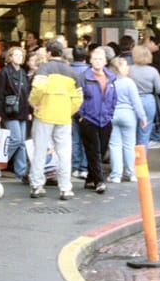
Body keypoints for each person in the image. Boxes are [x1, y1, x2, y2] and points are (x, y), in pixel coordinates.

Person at [28, 39, 82, 200]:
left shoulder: (44, 68)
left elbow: (38, 87)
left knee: (39, 151)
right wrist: (69, 111)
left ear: (49, 53)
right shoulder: (71, 72)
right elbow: (79, 97)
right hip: (64, 117)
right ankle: (65, 188)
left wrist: (34, 103)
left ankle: (37, 186)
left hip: (44, 114)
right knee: (64, 153)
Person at [75, 46, 115, 194]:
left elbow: (113, 97)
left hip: (105, 119)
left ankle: (90, 178)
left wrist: (110, 113)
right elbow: (78, 97)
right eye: (95, 59)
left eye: (100, 59)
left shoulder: (111, 77)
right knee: (94, 150)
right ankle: (99, 181)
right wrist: (81, 115)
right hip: (89, 119)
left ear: (105, 61)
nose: (97, 61)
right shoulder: (84, 77)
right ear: (90, 61)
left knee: (101, 150)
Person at [0, 45, 30, 180]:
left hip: (22, 110)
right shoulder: (5, 72)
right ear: (10, 57)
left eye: (21, 55)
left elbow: (27, 93)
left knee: (22, 143)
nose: (19, 57)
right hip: (10, 110)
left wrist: (29, 110)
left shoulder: (23, 72)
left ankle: (21, 171)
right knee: (17, 139)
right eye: (16, 55)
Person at [106, 56, 146, 184]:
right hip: (128, 115)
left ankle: (116, 175)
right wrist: (142, 117)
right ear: (120, 68)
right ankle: (131, 173)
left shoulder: (109, 82)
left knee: (114, 145)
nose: (128, 67)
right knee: (129, 145)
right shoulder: (129, 82)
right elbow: (136, 102)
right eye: (125, 65)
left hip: (113, 115)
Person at [129, 44, 160, 151]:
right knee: (145, 133)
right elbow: (159, 89)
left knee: (130, 133)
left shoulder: (128, 70)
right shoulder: (153, 71)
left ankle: (129, 163)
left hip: (131, 101)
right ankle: (140, 165)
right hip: (148, 101)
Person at [68, 45, 90, 178]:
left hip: (71, 108)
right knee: (86, 139)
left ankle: (75, 166)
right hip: (86, 108)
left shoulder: (68, 70)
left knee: (75, 138)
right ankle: (84, 167)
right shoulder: (89, 71)